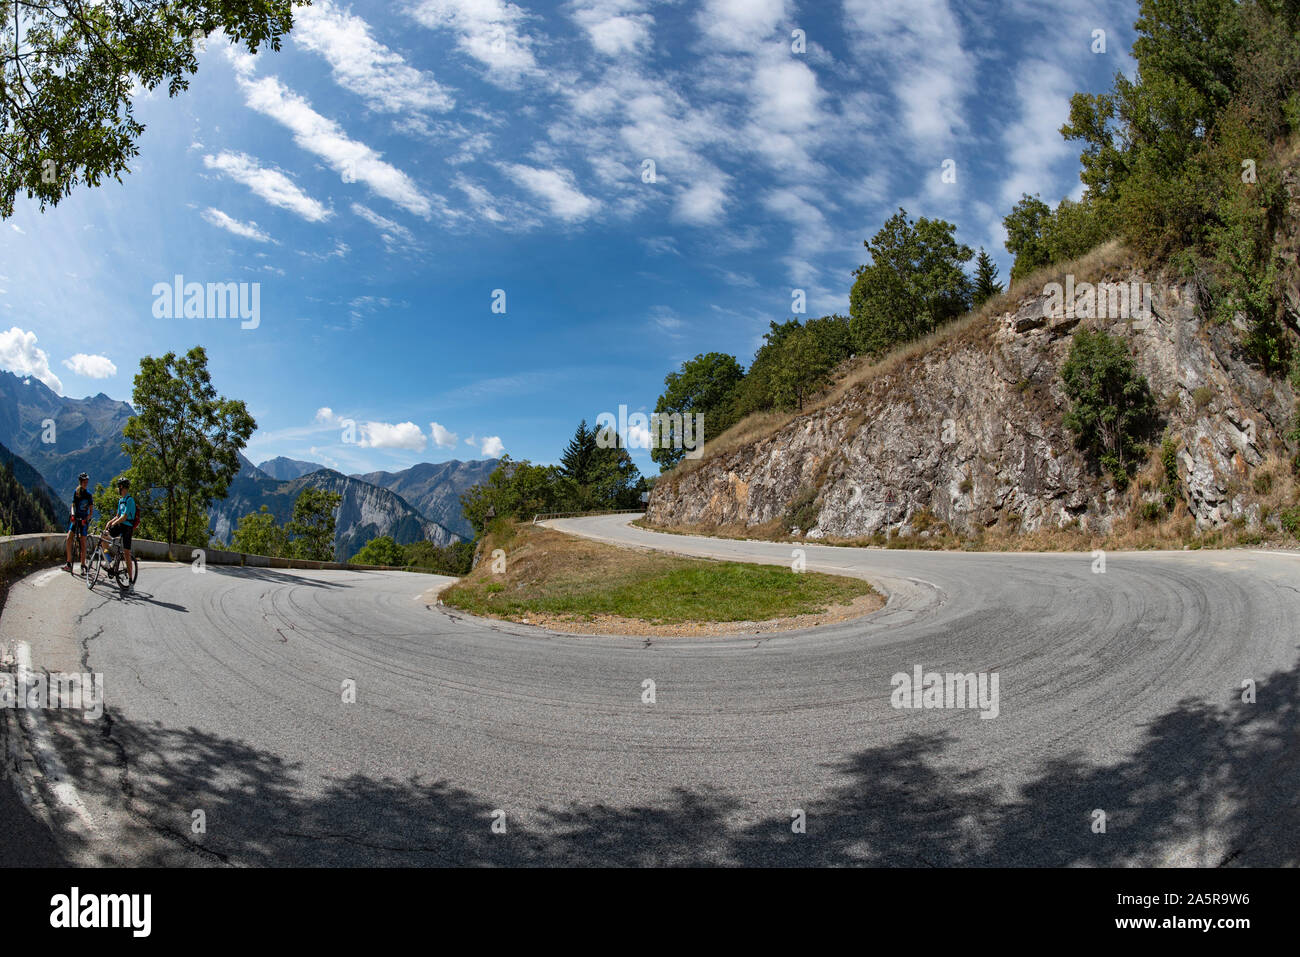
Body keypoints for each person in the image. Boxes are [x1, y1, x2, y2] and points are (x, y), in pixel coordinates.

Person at [105, 476, 136, 591]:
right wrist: (110, 521)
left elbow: (125, 517)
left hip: (127, 528)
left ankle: (131, 581)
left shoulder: (130, 500)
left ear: (122, 487)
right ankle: (110, 561)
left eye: (119, 486)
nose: (118, 488)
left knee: (127, 553)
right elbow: (118, 515)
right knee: (104, 535)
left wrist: (114, 523)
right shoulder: (120, 501)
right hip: (120, 524)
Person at [63, 472, 94, 573]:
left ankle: (83, 565)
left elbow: (91, 512)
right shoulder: (76, 492)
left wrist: (87, 519)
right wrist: (72, 515)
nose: (85, 483)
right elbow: (73, 505)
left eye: (86, 482)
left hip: (83, 521)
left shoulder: (89, 495)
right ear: (80, 482)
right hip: (75, 519)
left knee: (83, 543)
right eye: (84, 482)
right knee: (69, 538)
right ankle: (68, 563)